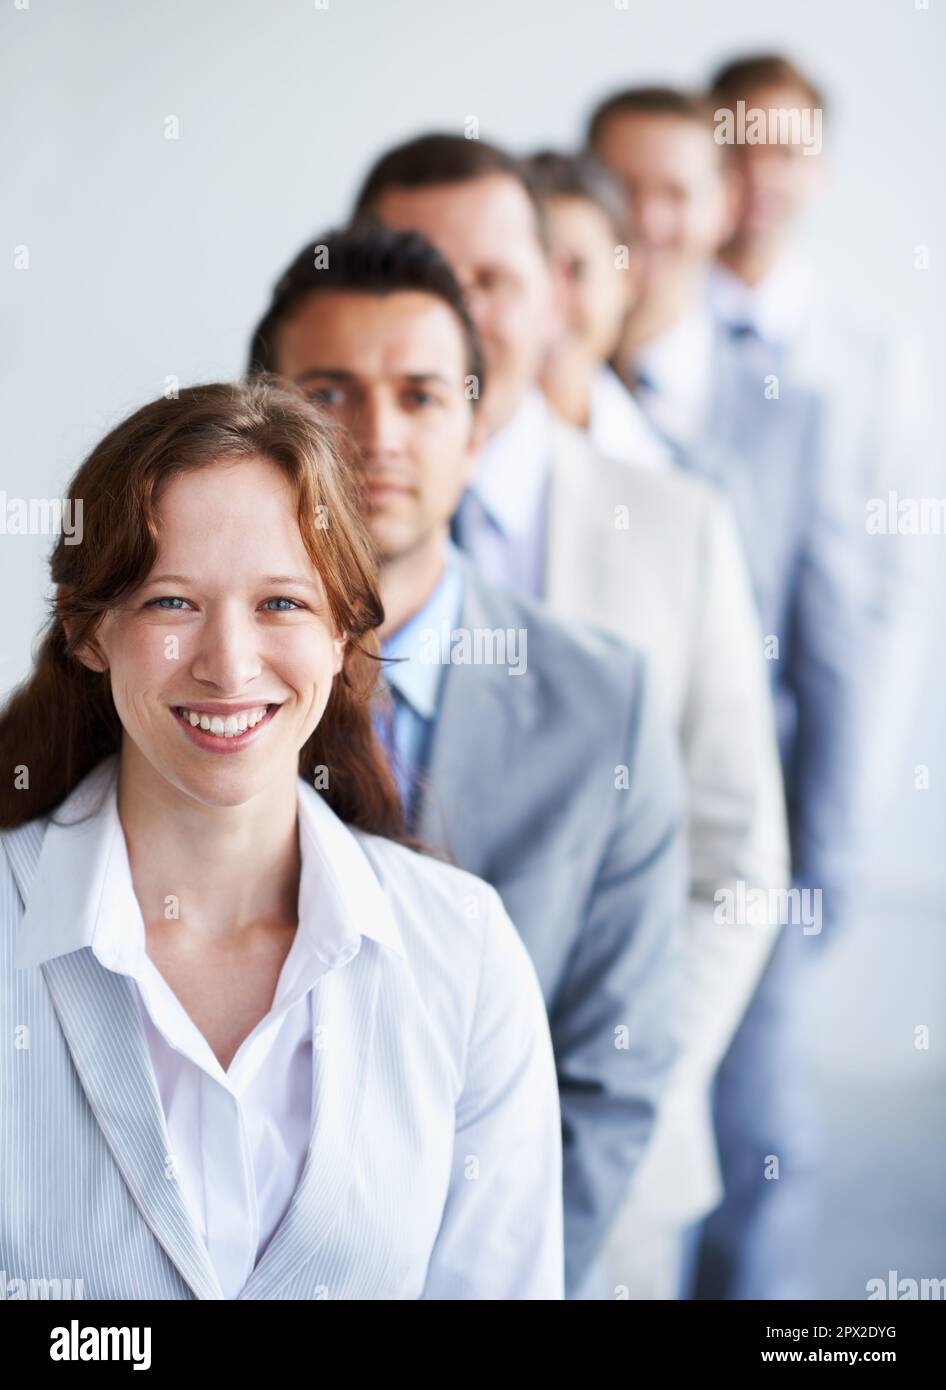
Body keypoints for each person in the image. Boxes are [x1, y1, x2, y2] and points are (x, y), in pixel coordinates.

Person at [0, 378, 564, 1301]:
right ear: (88, 629)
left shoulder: (461, 953)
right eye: (171, 603)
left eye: (282, 605)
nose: (228, 664)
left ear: (345, 632)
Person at [353, 133, 789, 1299]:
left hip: (619, 1173)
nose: (455, 307)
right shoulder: (279, 540)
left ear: (556, 290)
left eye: (490, 275)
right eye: (421, 267)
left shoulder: (680, 522)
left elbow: (739, 861)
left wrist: (612, 1086)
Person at [248, 217, 688, 1298]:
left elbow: (612, 1070)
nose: (377, 435)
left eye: (422, 396)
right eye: (329, 391)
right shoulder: (186, 684)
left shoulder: (605, 705)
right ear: (258, 419)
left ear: (478, 426)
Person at [588, 84, 871, 1298]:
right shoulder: (538, 387)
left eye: (677, 192)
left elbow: (835, 647)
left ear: (722, 208)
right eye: (621, 192)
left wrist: (826, 866)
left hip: (738, 848)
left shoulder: (791, 406)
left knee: (758, 1146)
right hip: (589, 858)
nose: (648, 222)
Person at [707, 53, 931, 821]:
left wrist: (858, 776)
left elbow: (892, 581)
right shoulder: (648, 335)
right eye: (737, 149)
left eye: (787, 151)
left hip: (805, 740)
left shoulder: (876, 358)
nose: (760, 175)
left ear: (821, 170)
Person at [524, 150, 671, 468]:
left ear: (627, 278)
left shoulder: (678, 472)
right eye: (529, 272)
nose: (550, 300)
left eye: (575, 270)